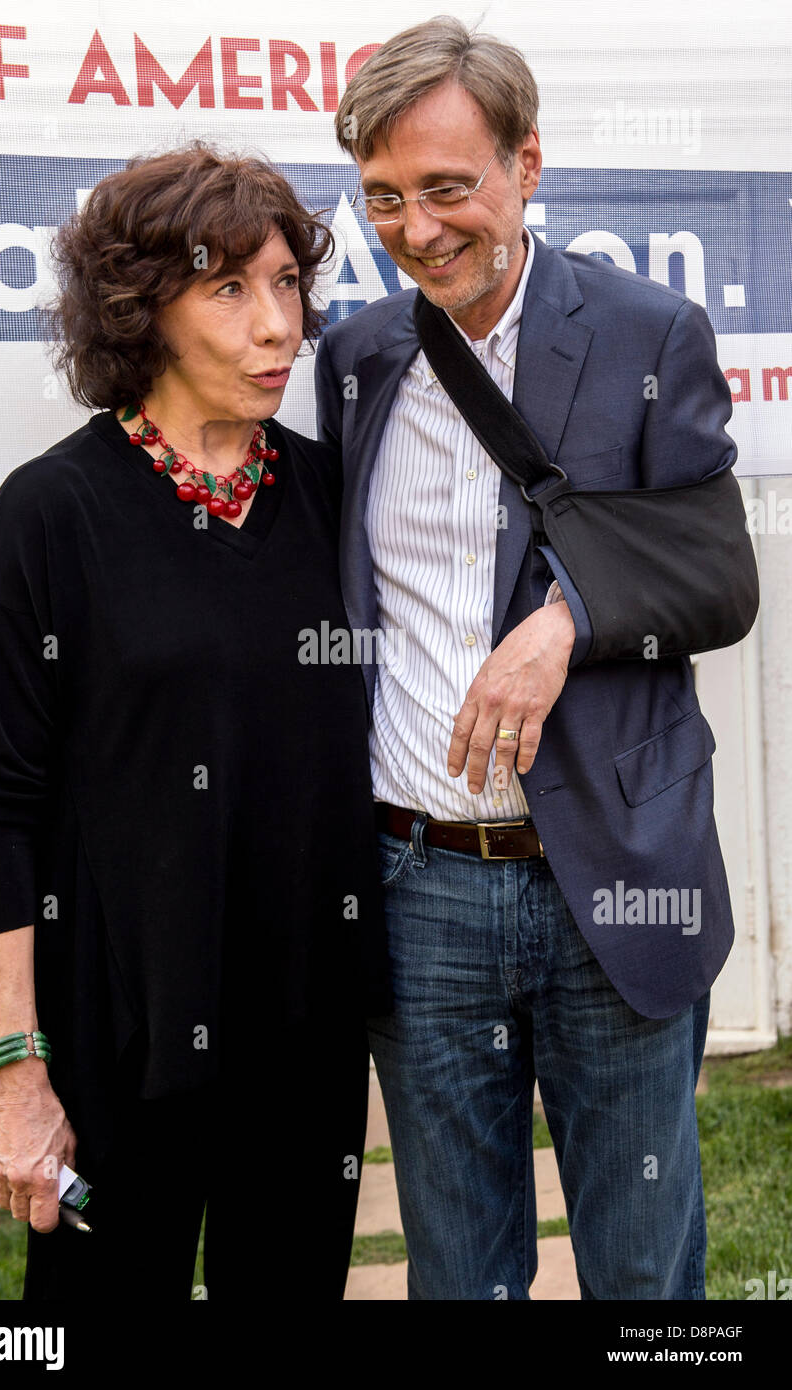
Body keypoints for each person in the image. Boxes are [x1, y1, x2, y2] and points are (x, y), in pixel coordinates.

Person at [315, 16, 754, 1300]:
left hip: (611, 878)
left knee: (639, 1265)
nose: (418, 226)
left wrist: (562, 624)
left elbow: (720, 576)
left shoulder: (646, 333)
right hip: (420, 888)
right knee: (462, 1272)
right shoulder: (353, 361)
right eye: (384, 197)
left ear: (527, 166)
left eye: (449, 187)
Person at [0, 141, 387, 1302]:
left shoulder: (333, 494)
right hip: (116, 1038)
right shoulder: (50, 515)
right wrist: (11, 1073)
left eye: (289, 283)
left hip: (303, 1037)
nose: (277, 325)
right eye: (230, 287)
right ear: (141, 307)